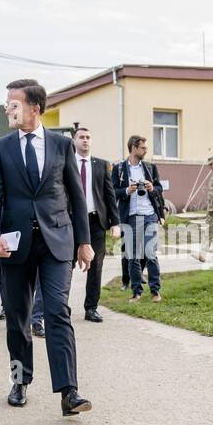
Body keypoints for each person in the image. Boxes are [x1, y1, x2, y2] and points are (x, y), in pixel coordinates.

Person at [0, 78, 93, 415]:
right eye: (7, 104)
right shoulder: (0, 148)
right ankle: (19, 379)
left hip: (57, 241)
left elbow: (76, 196)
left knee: (58, 311)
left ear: (35, 108)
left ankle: (69, 392)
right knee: (18, 318)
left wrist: (85, 242)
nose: (7, 109)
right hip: (15, 246)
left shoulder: (61, 146)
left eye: (13, 104)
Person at [72, 125, 119, 321]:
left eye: (88, 137)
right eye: (81, 137)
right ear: (74, 141)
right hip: (72, 222)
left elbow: (110, 195)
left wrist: (115, 222)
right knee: (66, 264)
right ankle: (58, 308)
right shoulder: (67, 163)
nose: (85, 140)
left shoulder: (101, 165)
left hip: (96, 221)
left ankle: (91, 307)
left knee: (96, 266)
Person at [113, 135, 164, 300]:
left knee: (150, 253)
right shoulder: (119, 169)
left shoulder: (150, 167)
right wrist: (127, 190)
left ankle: (155, 291)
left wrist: (151, 188)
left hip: (149, 214)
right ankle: (136, 292)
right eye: (143, 147)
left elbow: (159, 189)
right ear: (134, 148)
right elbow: (112, 192)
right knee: (133, 256)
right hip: (131, 216)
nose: (146, 150)